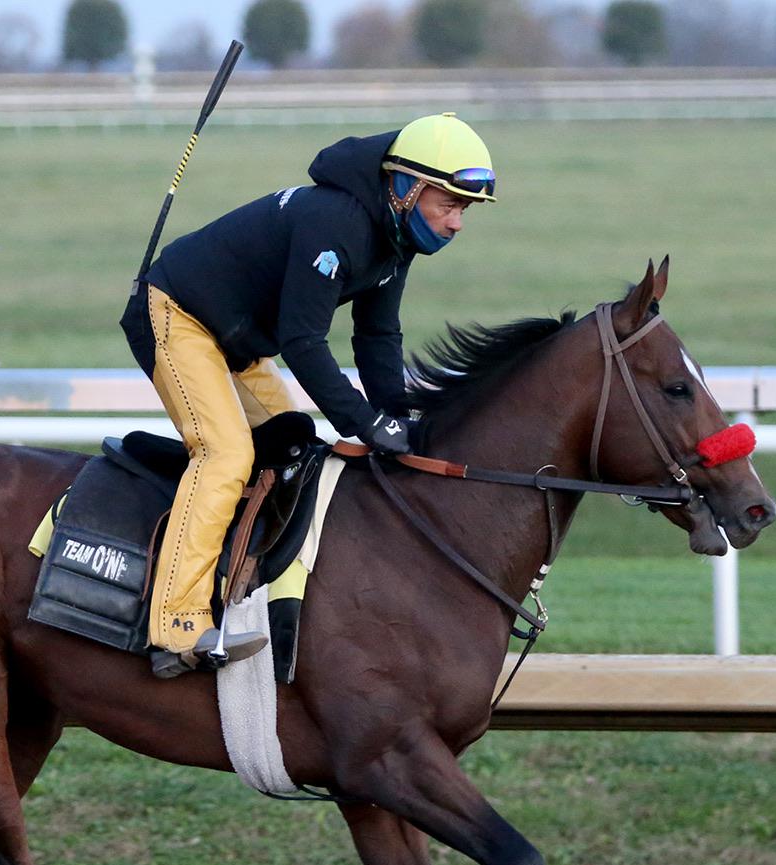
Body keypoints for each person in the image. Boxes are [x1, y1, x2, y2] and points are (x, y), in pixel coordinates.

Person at [121, 113, 498, 679]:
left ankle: (247, 585)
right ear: (407, 188)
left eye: (463, 210)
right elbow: (303, 341)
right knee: (225, 454)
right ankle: (175, 623)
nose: (456, 222)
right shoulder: (337, 222)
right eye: (448, 203)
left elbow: (377, 336)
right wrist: (365, 423)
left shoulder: (395, 242)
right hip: (176, 314)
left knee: (301, 449)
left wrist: (397, 418)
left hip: (237, 342)